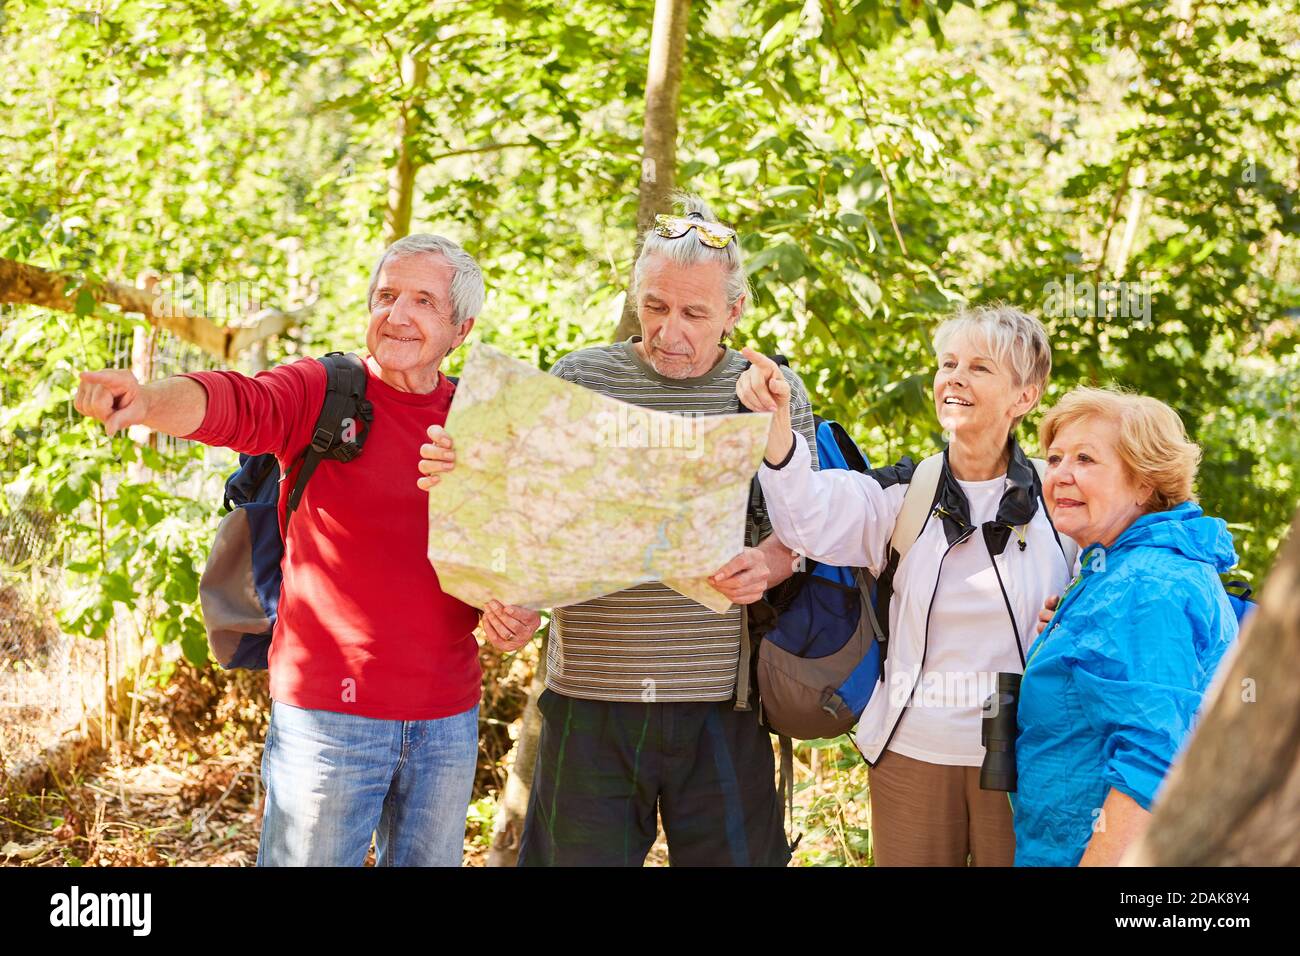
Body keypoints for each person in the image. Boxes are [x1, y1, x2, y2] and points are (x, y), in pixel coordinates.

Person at [74, 234, 539, 866]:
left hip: (447, 721)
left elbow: (513, 553)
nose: (397, 314)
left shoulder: (480, 420)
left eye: (423, 301)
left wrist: (514, 615)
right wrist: (149, 401)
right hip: (329, 720)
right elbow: (236, 403)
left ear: (461, 327)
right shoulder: (325, 392)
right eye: (386, 295)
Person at [419, 194, 817, 865]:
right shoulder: (582, 376)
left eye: (694, 313)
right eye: (656, 307)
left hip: (721, 702)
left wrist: (773, 562)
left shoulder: (768, 389)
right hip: (589, 701)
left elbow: (806, 526)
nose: (671, 331)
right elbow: (529, 518)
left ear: (735, 312)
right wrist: (507, 597)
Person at [738, 304, 1072, 866]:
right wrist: (779, 440)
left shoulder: (1062, 499)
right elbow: (809, 522)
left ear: (1025, 397)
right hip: (912, 750)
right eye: (948, 363)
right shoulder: (905, 492)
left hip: (1030, 756)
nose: (955, 378)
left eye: (980, 367)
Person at [1013, 386, 1238, 866]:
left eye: (1086, 460)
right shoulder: (1118, 572)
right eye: (1054, 459)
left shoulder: (1145, 585)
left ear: (1144, 483)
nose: (1060, 475)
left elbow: (1152, 763)